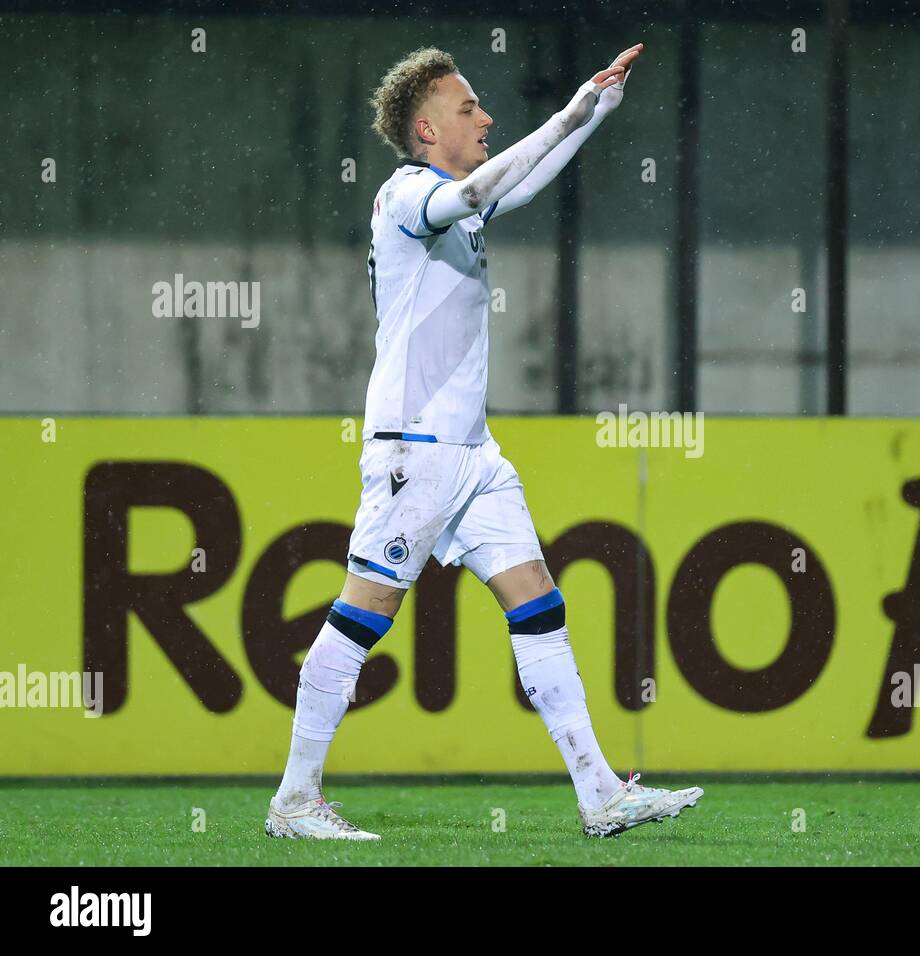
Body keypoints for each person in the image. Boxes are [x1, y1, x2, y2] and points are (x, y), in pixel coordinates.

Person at [265, 43, 702, 840]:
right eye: (470, 109)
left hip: (473, 453)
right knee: (365, 614)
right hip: (415, 450)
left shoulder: (454, 196)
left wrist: (592, 110)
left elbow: (518, 182)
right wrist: (569, 112)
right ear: (427, 129)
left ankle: (600, 792)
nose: (486, 118)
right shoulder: (408, 193)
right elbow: (479, 189)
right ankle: (295, 799)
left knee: (538, 602)